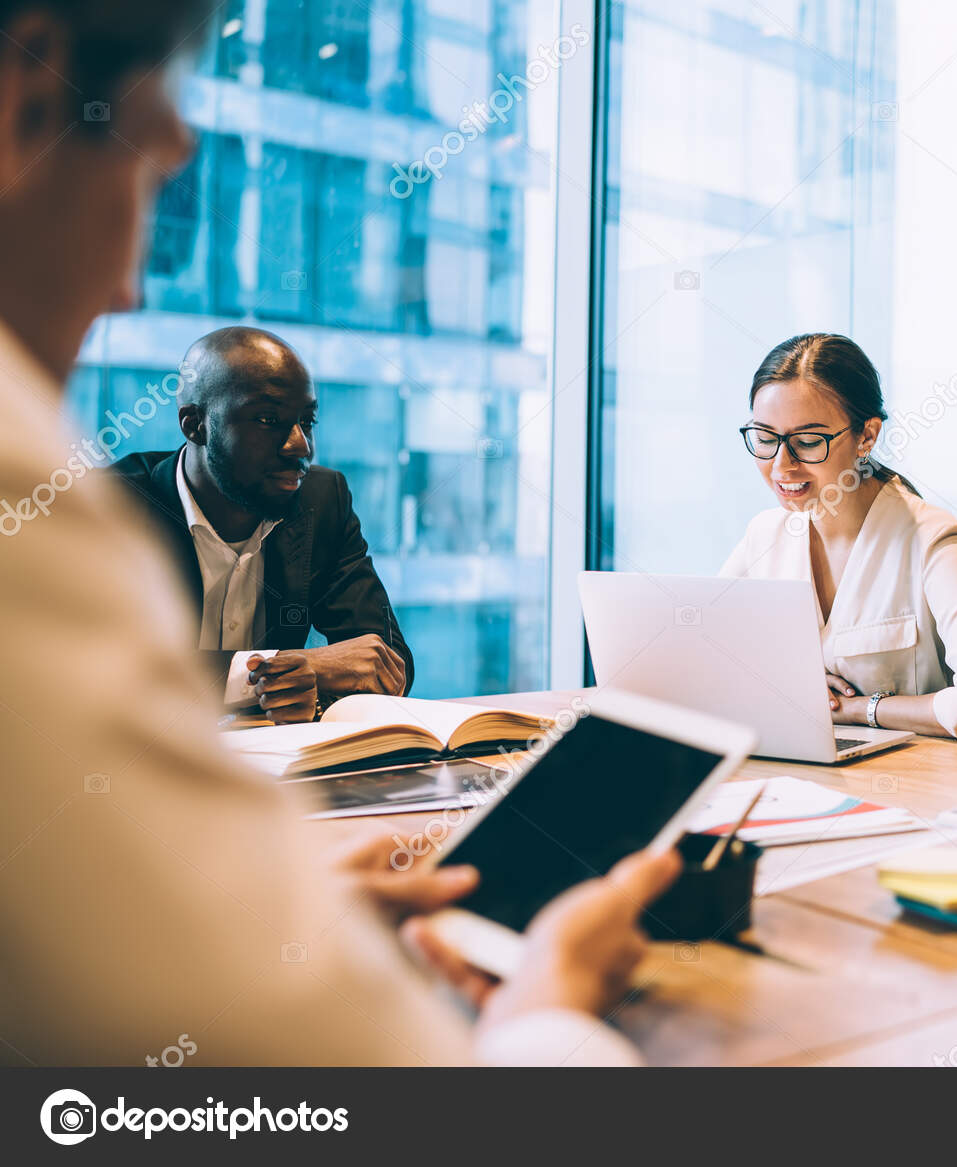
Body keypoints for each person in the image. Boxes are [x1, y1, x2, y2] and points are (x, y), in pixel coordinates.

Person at [0, 0, 677, 1066]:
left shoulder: (318, 501)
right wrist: (548, 1000)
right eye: (152, 177)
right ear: (29, 107)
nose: (129, 279)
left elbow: (385, 657)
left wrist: (289, 917)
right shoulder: (62, 492)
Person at [720, 333, 957, 743]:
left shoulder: (933, 542)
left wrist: (859, 709)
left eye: (808, 442)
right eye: (765, 438)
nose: (781, 465)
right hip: (808, 768)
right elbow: (708, 658)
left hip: (922, 784)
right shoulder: (765, 536)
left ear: (867, 436)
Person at [108, 327, 408, 723]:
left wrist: (310, 687)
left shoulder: (323, 500)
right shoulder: (111, 507)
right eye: (269, 419)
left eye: (307, 420)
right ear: (195, 424)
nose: (301, 446)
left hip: (277, 768)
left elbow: (384, 661)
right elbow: (106, 671)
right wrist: (284, 670)